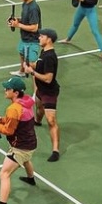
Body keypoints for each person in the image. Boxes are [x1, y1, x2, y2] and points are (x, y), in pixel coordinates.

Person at [0, 76, 39, 204]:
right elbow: (16, 121)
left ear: (15, 93)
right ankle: (31, 179)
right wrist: (2, 119)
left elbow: (9, 130)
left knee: (4, 174)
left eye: (8, 89)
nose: (5, 90)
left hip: (21, 147)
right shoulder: (26, 102)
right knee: (26, 159)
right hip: (31, 143)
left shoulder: (13, 109)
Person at [26, 28, 61, 162]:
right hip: (40, 90)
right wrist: (31, 65)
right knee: (39, 110)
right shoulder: (44, 52)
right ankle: (37, 121)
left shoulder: (51, 57)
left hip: (49, 92)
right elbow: (39, 64)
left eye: (42, 36)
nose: (39, 38)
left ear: (49, 39)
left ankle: (55, 151)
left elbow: (48, 78)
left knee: (51, 120)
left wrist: (32, 72)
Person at [11, 0, 42, 76]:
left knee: (32, 64)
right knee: (21, 53)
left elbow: (34, 27)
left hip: (32, 39)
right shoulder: (25, 3)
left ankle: (38, 85)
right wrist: (17, 20)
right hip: (25, 37)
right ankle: (22, 71)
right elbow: (26, 19)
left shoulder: (33, 8)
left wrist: (18, 25)